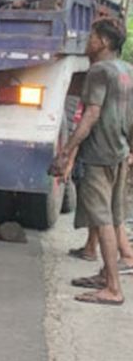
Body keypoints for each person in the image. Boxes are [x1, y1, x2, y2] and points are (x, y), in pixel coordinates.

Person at [50, 17, 133, 305]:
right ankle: (104, 275)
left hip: (99, 154)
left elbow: (90, 115)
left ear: (105, 43)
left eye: (92, 37)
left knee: (103, 219)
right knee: (111, 215)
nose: (88, 42)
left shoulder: (98, 71)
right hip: (120, 153)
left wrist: (66, 151)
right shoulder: (127, 71)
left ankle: (112, 287)